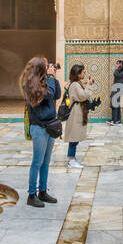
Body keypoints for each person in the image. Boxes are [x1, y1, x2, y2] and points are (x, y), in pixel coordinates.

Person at [20, 56, 62, 208]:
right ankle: (32, 194)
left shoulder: (46, 81)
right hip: (39, 128)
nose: (48, 67)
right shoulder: (31, 84)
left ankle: (43, 191)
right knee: (37, 162)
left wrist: (53, 77)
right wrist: (50, 77)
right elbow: (49, 94)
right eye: (45, 65)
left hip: (50, 125)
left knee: (46, 162)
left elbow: (56, 95)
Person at [62, 64, 95, 169]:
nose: (85, 73)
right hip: (75, 113)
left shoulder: (76, 83)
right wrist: (89, 85)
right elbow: (83, 96)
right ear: (78, 73)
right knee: (74, 137)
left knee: (75, 137)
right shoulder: (75, 85)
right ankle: (71, 160)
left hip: (77, 112)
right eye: (83, 72)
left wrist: (87, 84)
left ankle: (72, 158)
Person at [110, 60, 123, 125]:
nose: (116, 65)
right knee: (115, 104)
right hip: (116, 88)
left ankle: (115, 120)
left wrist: (116, 69)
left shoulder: (122, 73)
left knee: (115, 104)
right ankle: (117, 120)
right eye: (116, 64)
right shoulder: (120, 72)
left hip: (118, 88)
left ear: (121, 65)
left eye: (118, 64)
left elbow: (115, 74)